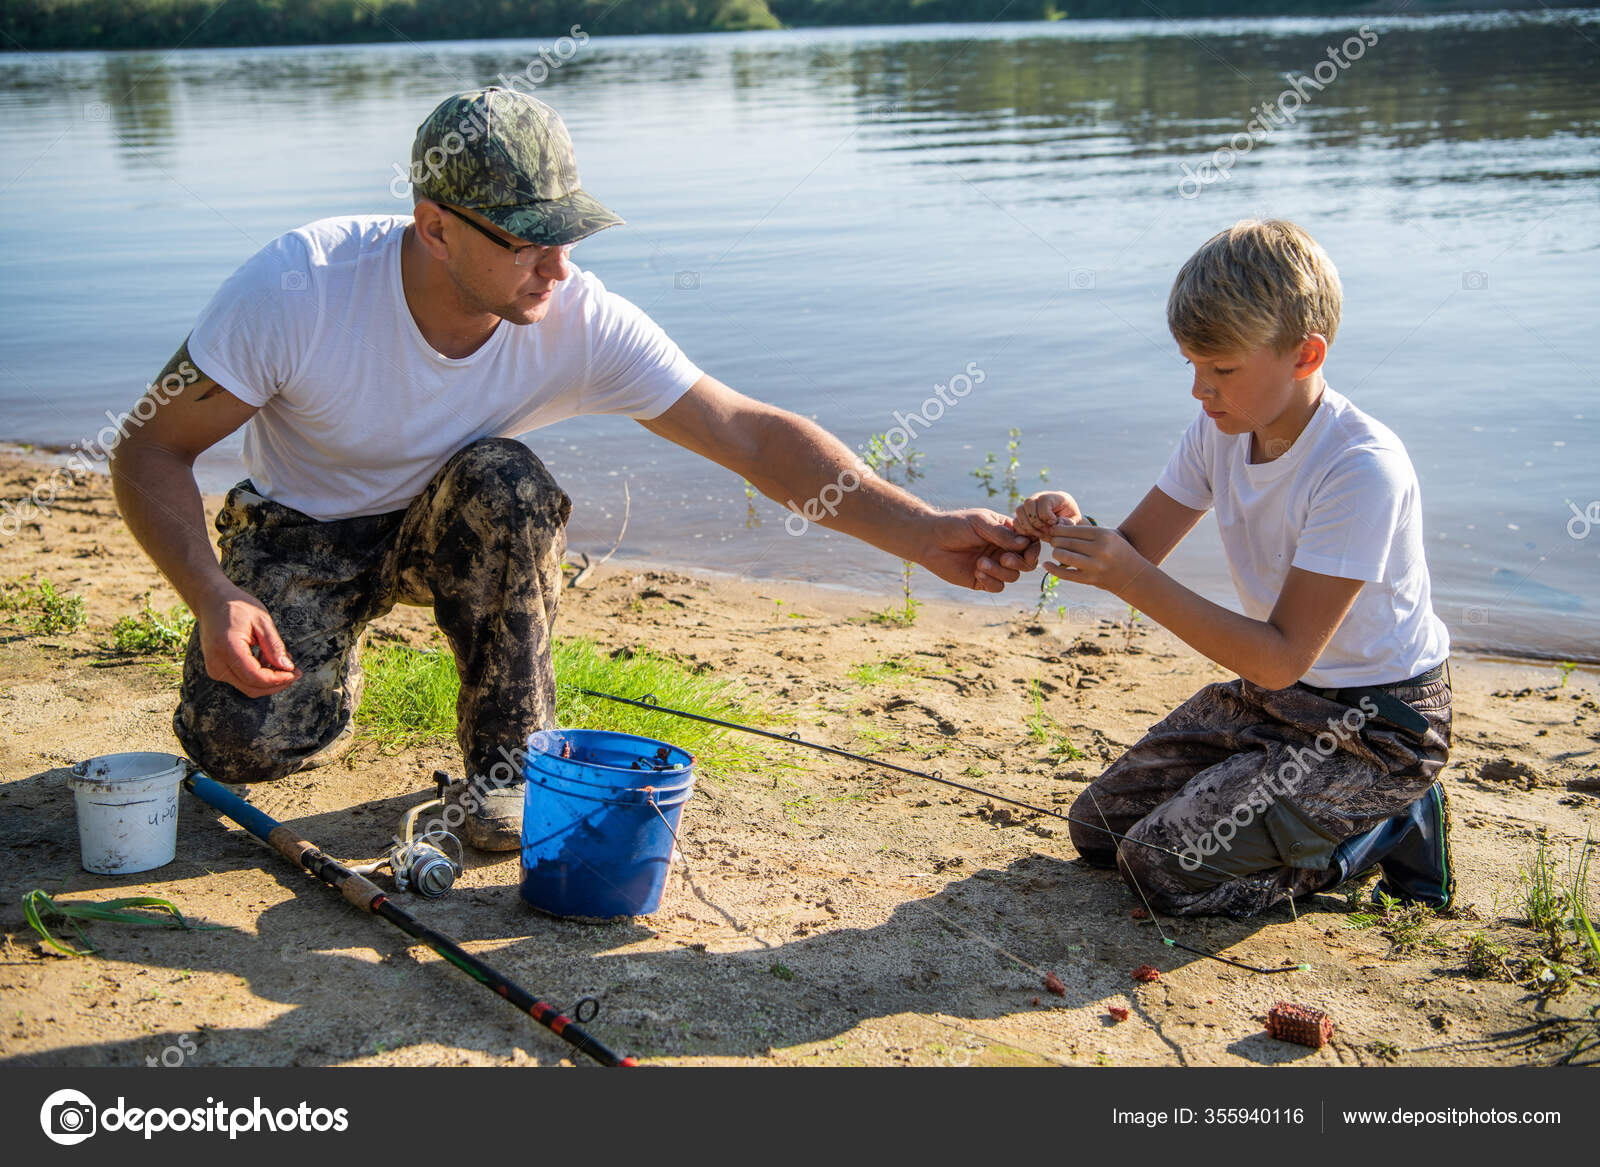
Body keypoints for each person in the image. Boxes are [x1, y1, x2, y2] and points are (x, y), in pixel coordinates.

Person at [110, 87, 1037, 852]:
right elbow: (150, 447)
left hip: (459, 526)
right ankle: (330, 656)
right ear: (433, 228)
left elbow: (751, 436)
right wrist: (209, 594)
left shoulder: (572, 314)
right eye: (524, 238)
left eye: (569, 234)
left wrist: (923, 533)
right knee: (238, 747)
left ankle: (507, 765)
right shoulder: (297, 287)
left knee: (505, 480)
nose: (556, 267)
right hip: (304, 528)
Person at [1014, 219, 1453, 918]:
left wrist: (1129, 574)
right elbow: (1134, 549)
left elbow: (1280, 653)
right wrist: (1064, 528)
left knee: (1157, 865)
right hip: (1277, 704)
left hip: (1376, 725)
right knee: (1096, 829)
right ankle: (1275, 796)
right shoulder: (1220, 432)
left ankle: (1385, 822)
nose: (1199, 389)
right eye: (1191, 363)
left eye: (1221, 369)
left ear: (1305, 355)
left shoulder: (1360, 469)